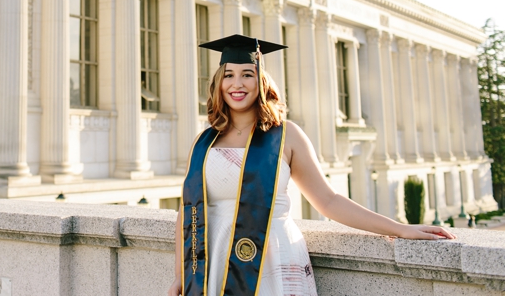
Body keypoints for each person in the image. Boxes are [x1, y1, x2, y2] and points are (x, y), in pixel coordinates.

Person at [168, 35, 454, 296]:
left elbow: (328, 200)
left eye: (247, 74)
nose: (237, 84)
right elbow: (189, 210)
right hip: (211, 262)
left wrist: (398, 228)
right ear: (218, 82)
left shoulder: (285, 135)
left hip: (272, 257)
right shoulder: (205, 141)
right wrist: (181, 275)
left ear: (262, 81)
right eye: (228, 75)